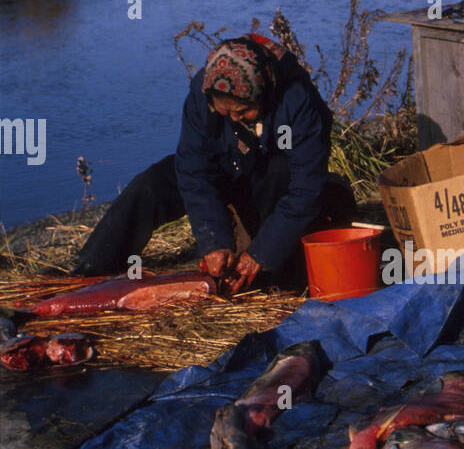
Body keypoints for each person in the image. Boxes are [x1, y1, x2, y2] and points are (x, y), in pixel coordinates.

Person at [73, 33, 353, 289]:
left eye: (243, 111)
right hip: (227, 167)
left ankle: (270, 269)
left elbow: (305, 188)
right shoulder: (204, 90)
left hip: (273, 177)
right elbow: (194, 169)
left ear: (263, 95)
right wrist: (214, 242)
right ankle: (88, 274)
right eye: (224, 111)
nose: (232, 118)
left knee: (281, 177)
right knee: (151, 185)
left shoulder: (297, 101)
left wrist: (260, 255)